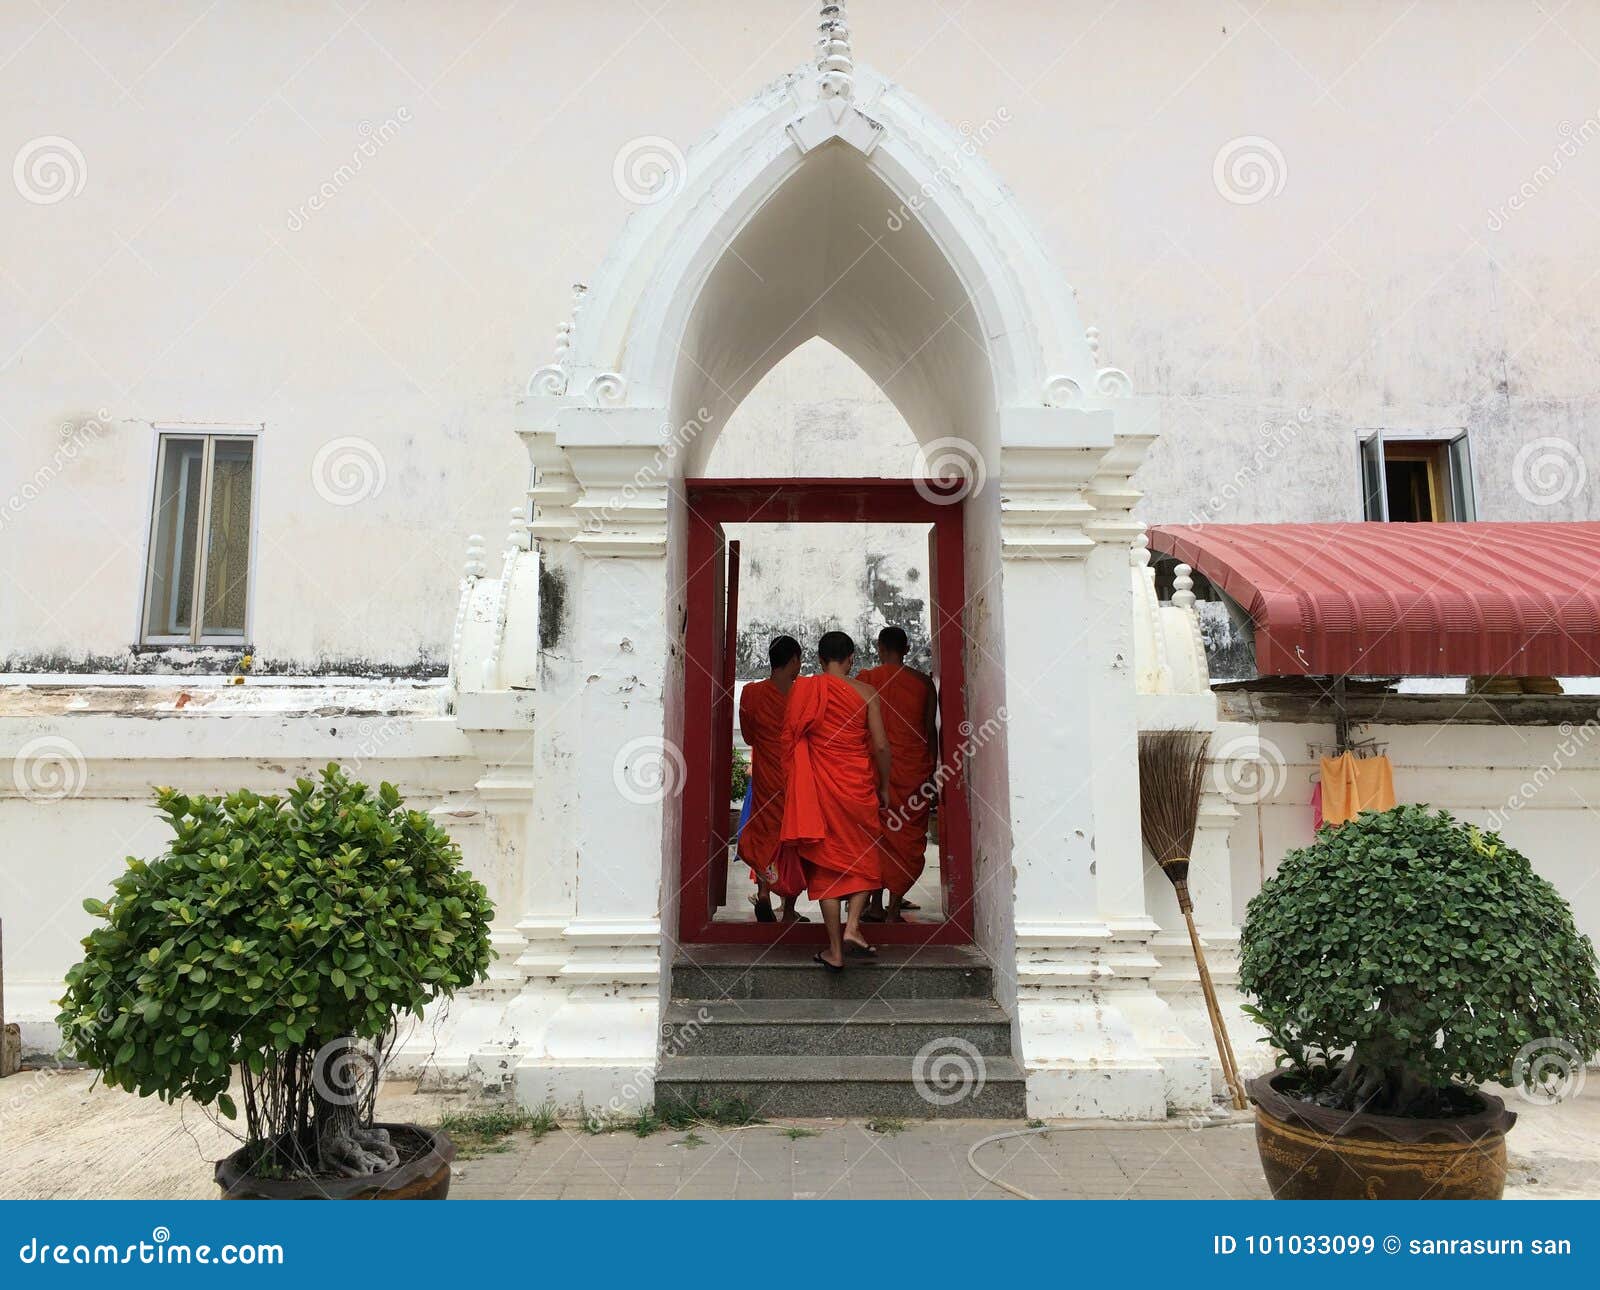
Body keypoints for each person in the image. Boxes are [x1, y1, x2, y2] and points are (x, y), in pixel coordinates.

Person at [779, 630, 891, 969]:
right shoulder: (868, 693)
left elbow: (790, 739)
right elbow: (883, 746)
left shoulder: (805, 689)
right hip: (858, 787)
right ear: (851, 658)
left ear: (818, 659)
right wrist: (884, 786)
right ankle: (854, 926)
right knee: (863, 857)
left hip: (822, 791)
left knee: (827, 868)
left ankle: (835, 952)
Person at [859, 626, 937, 922]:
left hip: (873, 771)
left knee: (875, 836)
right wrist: (934, 770)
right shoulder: (922, 683)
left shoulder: (866, 681)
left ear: (879, 648)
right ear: (906, 649)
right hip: (912, 771)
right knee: (905, 836)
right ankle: (892, 909)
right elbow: (930, 731)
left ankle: (875, 903)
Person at [737, 635, 805, 923]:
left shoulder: (752, 693)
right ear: (793, 661)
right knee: (794, 837)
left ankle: (764, 891)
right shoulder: (802, 693)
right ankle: (788, 910)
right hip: (795, 773)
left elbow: (749, 735)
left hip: (766, 773)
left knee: (765, 831)